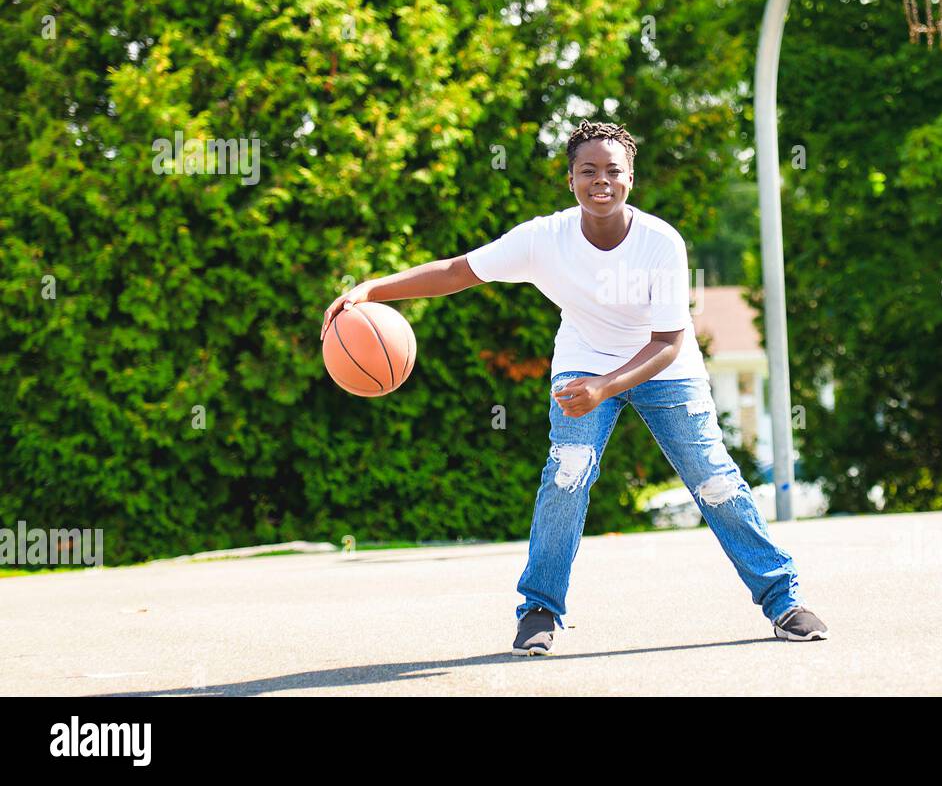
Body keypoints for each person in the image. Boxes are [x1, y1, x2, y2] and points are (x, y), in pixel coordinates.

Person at [322, 120, 828, 656]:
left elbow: (667, 343)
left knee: (715, 480)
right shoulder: (544, 240)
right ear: (571, 181)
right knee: (568, 473)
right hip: (583, 361)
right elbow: (458, 271)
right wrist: (371, 288)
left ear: (631, 177)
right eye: (588, 171)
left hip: (661, 368)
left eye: (614, 170)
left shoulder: (660, 243)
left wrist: (606, 388)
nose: (601, 181)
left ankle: (783, 600)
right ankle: (540, 609)